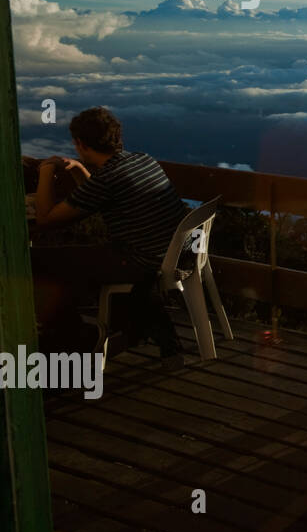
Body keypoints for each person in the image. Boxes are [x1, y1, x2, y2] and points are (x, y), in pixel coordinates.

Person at [31, 106, 189, 368]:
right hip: (169, 252)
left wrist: (46, 171)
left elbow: (46, 220)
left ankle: (76, 338)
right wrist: (79, 169)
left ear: (80, 143)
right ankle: (83, 333)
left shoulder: (108, 179)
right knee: (71, 260)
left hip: (139, 260)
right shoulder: (142, 159)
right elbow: (101, 194)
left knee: (35, 262)